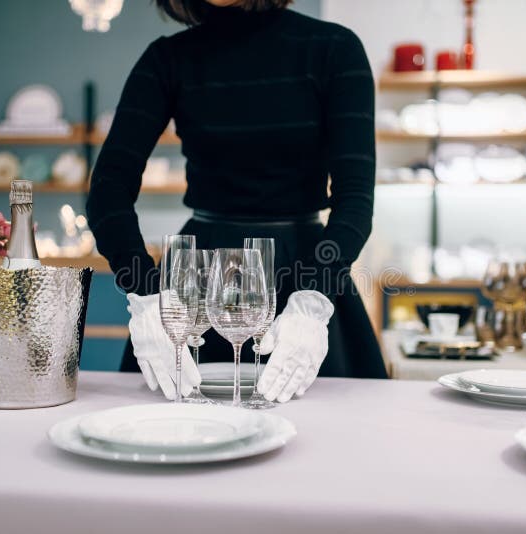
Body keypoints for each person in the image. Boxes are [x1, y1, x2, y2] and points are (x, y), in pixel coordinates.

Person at [86, 0, 387, 403]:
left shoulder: (334, 49)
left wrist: (312, 302)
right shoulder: (168, 59)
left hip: (306, 271)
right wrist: (145, 295)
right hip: (197, 279)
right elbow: (108, 190)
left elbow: (355, 198)